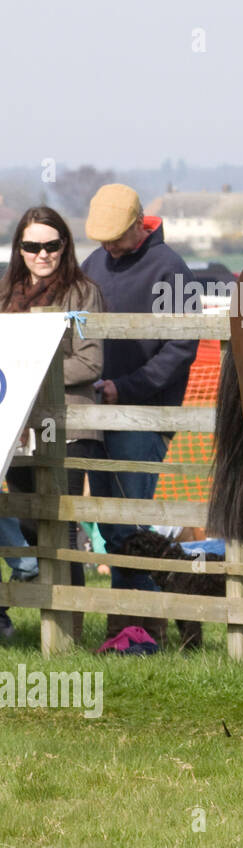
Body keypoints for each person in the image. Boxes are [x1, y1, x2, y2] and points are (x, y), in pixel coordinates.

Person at [80, 184, 198, 644]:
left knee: (128, 522)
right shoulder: (94, 265)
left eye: (115, 235)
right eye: (101, 237)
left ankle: (143, 627)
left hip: (142, 415)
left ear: (137, 222)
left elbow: (180, 349)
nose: (108, 245)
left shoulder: (171, 270)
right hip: (97, 412)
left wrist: (124, 388)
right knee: (112, 524)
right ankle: (142, 621)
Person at [1, 206, 107, 640]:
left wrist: (34, 373)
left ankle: (69, 628)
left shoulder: (82, 293)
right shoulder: (6, 293)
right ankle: (41, 612)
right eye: (32, 246)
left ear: (65, 246)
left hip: (69, 425)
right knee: (29, 520)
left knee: (60, 524)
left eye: (51, 245)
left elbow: (91, 361)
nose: (41, 254)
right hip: (16, 427)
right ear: (19, 249)